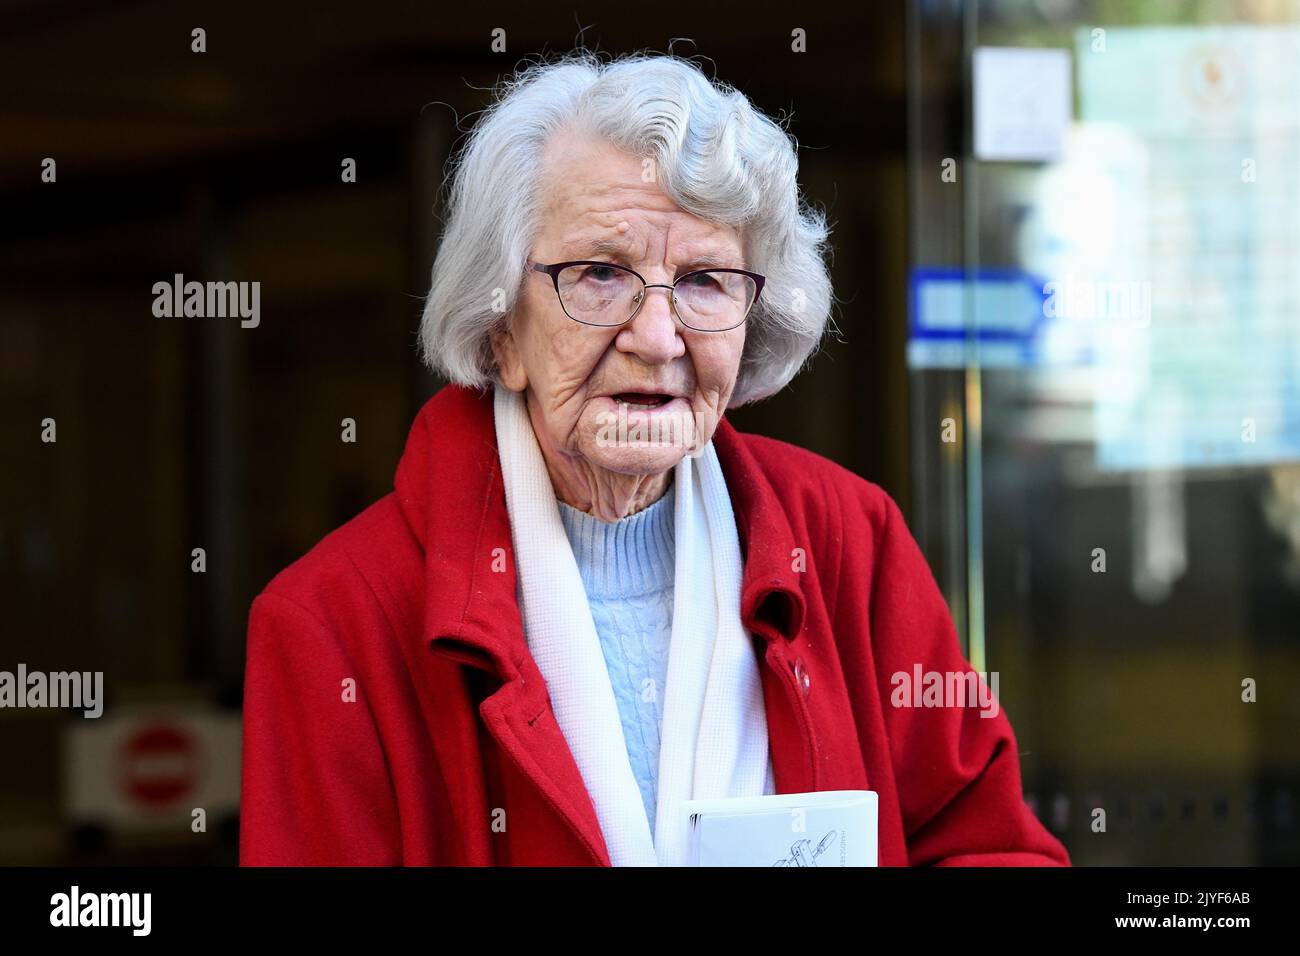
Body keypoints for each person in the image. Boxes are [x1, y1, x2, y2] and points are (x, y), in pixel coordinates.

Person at [239, 50, 1070, 867]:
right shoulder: (332, 625)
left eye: (706, 280)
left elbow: (988, 846)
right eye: (601, 274)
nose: (658, 338)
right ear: (502, 329)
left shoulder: (851, 541)